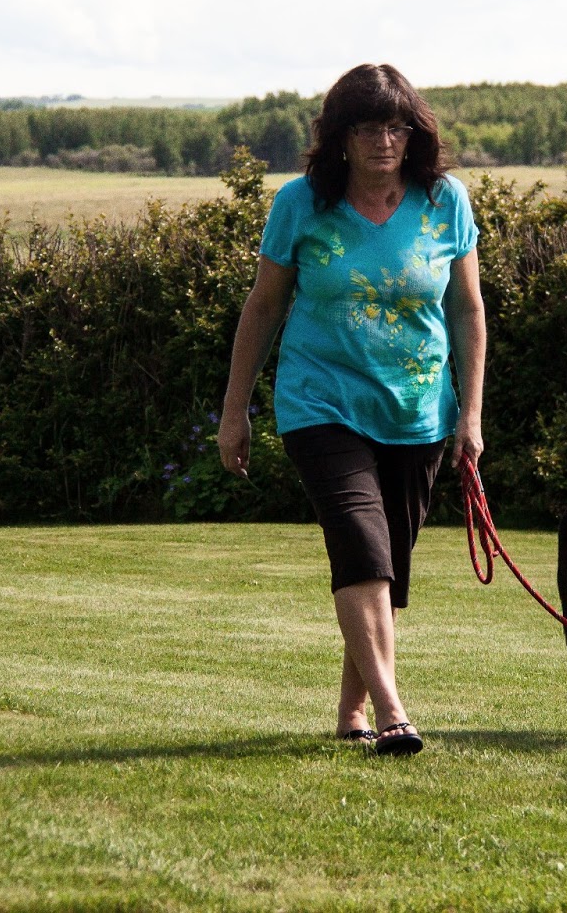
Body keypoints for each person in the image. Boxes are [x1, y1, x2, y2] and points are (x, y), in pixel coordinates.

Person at [217, 64, 485, 757]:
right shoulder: (301, 205)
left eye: (395, 126)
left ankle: (352, 709)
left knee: (386, 568)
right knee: (362, 547)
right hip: (320, 403)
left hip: (419, 413)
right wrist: (234, 411)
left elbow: (466, 309)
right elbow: (264, 306)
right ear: (340, 136)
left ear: (414, 133)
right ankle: (395, 713)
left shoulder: (444, 201)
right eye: (366, 127)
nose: (382, 140)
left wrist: (471, 415)